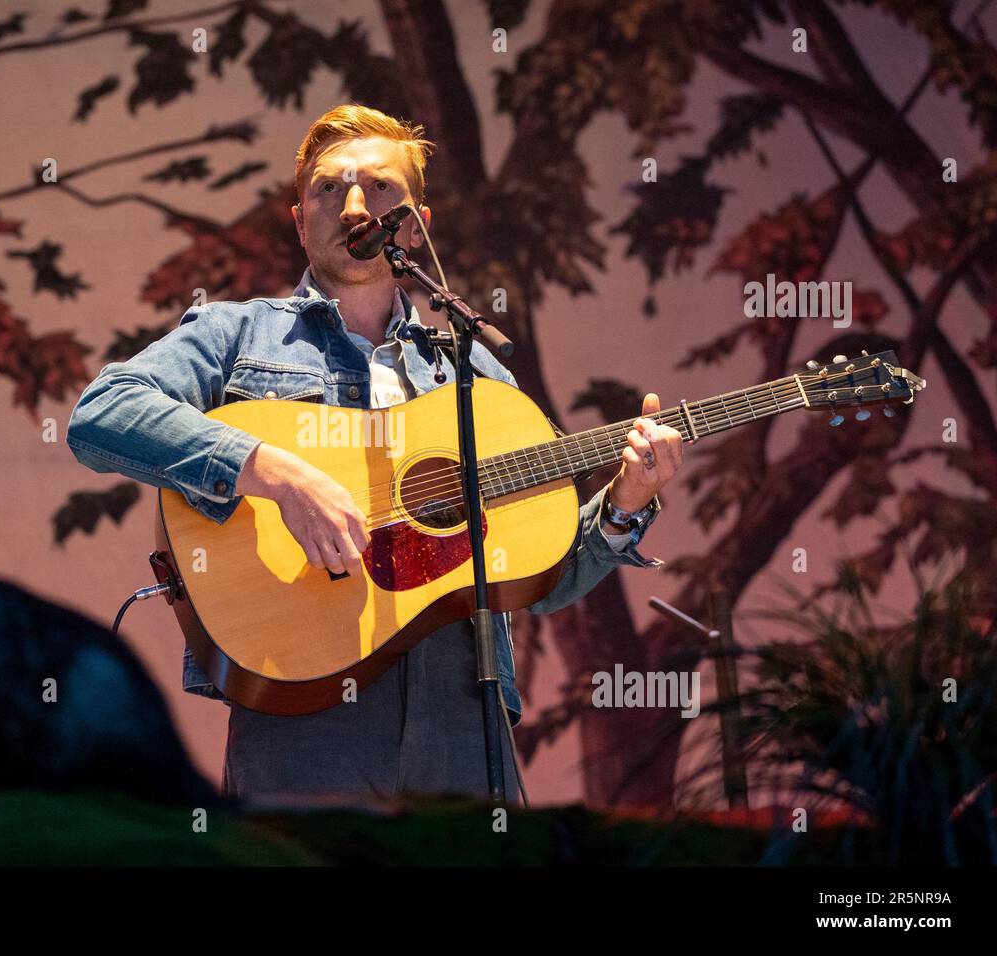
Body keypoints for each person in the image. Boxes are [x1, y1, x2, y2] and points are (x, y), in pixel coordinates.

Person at [66, 104, 684, 803]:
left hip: (463, 717)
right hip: (301, 710)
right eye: (329, 188)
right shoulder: (234, 335)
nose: (356, 205)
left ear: (417, 224)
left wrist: (625, 505)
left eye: (382, 189)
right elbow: (102, 413)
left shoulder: (475, 376)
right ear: (300, 220)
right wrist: (272, 471)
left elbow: (545, 574)